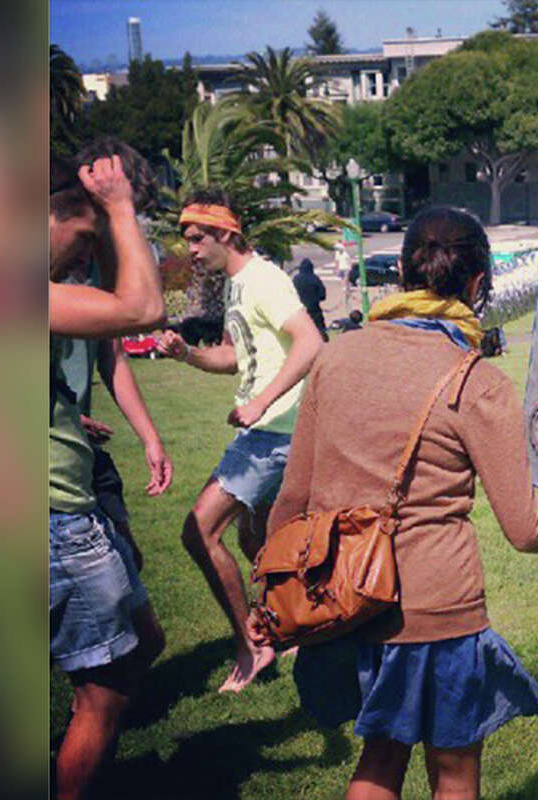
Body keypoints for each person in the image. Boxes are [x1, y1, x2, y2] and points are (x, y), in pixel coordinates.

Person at [259, 206, 538, 800]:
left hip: (344, 603)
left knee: (379, 761)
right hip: (438, 612)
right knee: (453, 774)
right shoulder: (476, 381)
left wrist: (265, 592)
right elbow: (524, 527)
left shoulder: (334, 359)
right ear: (477, 285)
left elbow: (291, 498)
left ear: (400, 269)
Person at [154, 187, 323, 693]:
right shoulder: (237, 284)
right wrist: (188, 354)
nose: (193, 250)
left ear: (227, 233)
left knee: (199, 530)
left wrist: (259, 403)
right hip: (267, 429)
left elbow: (311, 342)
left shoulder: (264, 280)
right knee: (258, 541)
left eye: (199, 238)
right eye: (187, 239)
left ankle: (253, 646)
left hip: (272, 433)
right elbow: (235, 356)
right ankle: (303, 627)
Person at [49, 153, 167, 800]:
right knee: (110, 682)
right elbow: (143, 307)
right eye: (85, 239)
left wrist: (66, 417)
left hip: (65, 504)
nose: (85, 258)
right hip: (53, 518)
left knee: (140, 643)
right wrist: (119, 207)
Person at [60, 138, 174, 574]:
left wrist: (150, 437)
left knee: (129, 569)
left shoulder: (89, 265)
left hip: (79, 451)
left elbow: (113, 350)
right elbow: (145, 310)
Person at [292, 257, 329, 341]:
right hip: (314, 308)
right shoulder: (314, 278)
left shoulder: (296, 279)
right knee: (320, 328)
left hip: (300, 309)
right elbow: (322, 295)